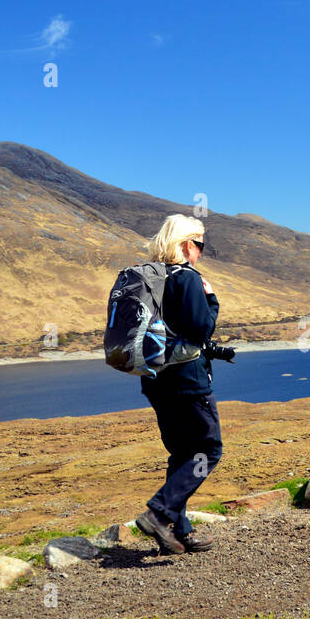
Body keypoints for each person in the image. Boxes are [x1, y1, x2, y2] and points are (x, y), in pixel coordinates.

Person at [132, 214, 223, 555]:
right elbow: (201, 329)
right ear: (187, 245)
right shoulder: (187, 278)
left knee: (182, 453)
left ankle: (180, 530)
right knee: (207, 451)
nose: (201, 251)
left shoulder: (150, 279)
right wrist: (211, 300)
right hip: (187, 382)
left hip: (155, 380)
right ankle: (158, 513)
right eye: (200, 245)